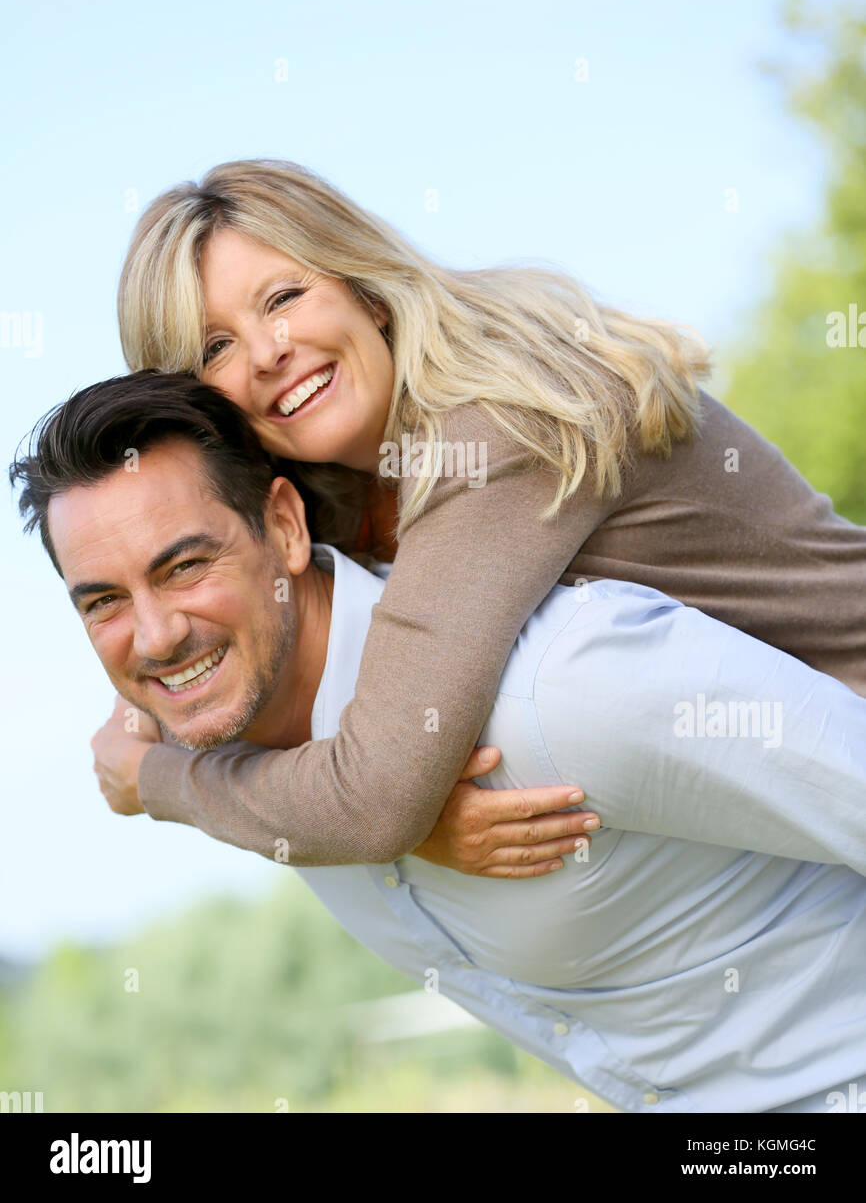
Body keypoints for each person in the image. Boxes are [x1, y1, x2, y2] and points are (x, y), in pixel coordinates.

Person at [11, 371, 866, 1114]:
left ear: (283, 527)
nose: (155, 637)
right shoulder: (238, 748)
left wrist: (153, 777)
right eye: (103, 603)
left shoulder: (562, 688)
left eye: (185, 566)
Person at [99, 157, 866, 869]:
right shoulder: (346, 496)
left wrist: (157, 781)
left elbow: (373, 803)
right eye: (217, 348)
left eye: (285, 298)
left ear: (364, 288)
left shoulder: (491, 431)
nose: (270, 351)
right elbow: (215, 678)